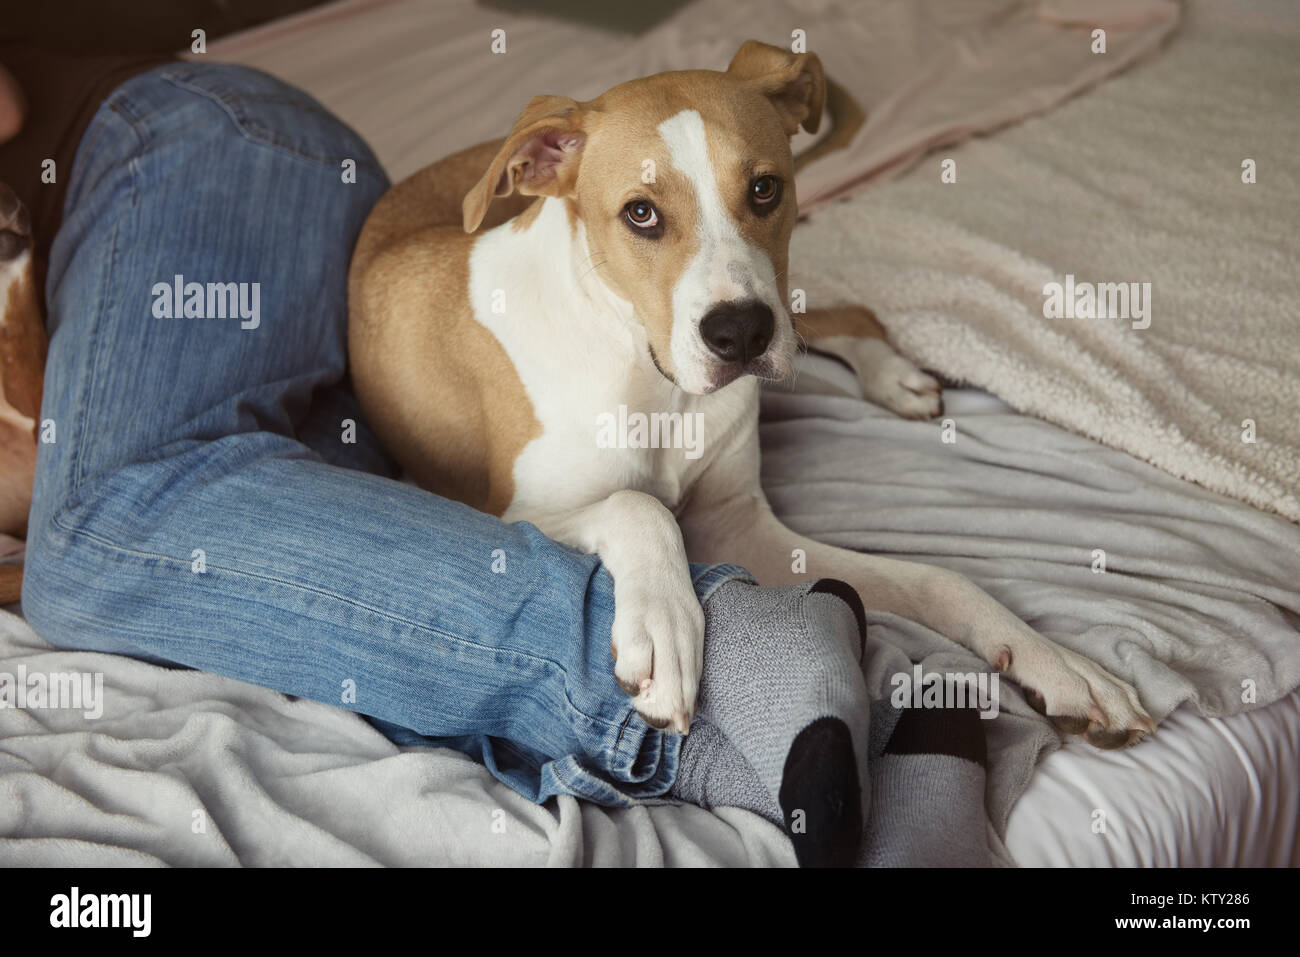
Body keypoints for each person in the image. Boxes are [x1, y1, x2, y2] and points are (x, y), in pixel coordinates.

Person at [0, 48, 991, 868]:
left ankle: (745, 651)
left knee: (96, 530)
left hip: (184, 138)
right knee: (292, 541)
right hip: (266, 214)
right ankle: (797, 756)